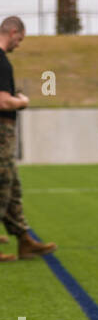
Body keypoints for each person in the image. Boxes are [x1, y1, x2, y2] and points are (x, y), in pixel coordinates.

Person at [0, 16, 56, 262]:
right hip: (2, 132)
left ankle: (24, 240)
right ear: (12, 32)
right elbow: (2, 101)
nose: (18, 45)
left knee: (12, 186)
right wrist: (22, 102)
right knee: (2, 184)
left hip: (5, 133)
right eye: (19, 39)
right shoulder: (1, 62)